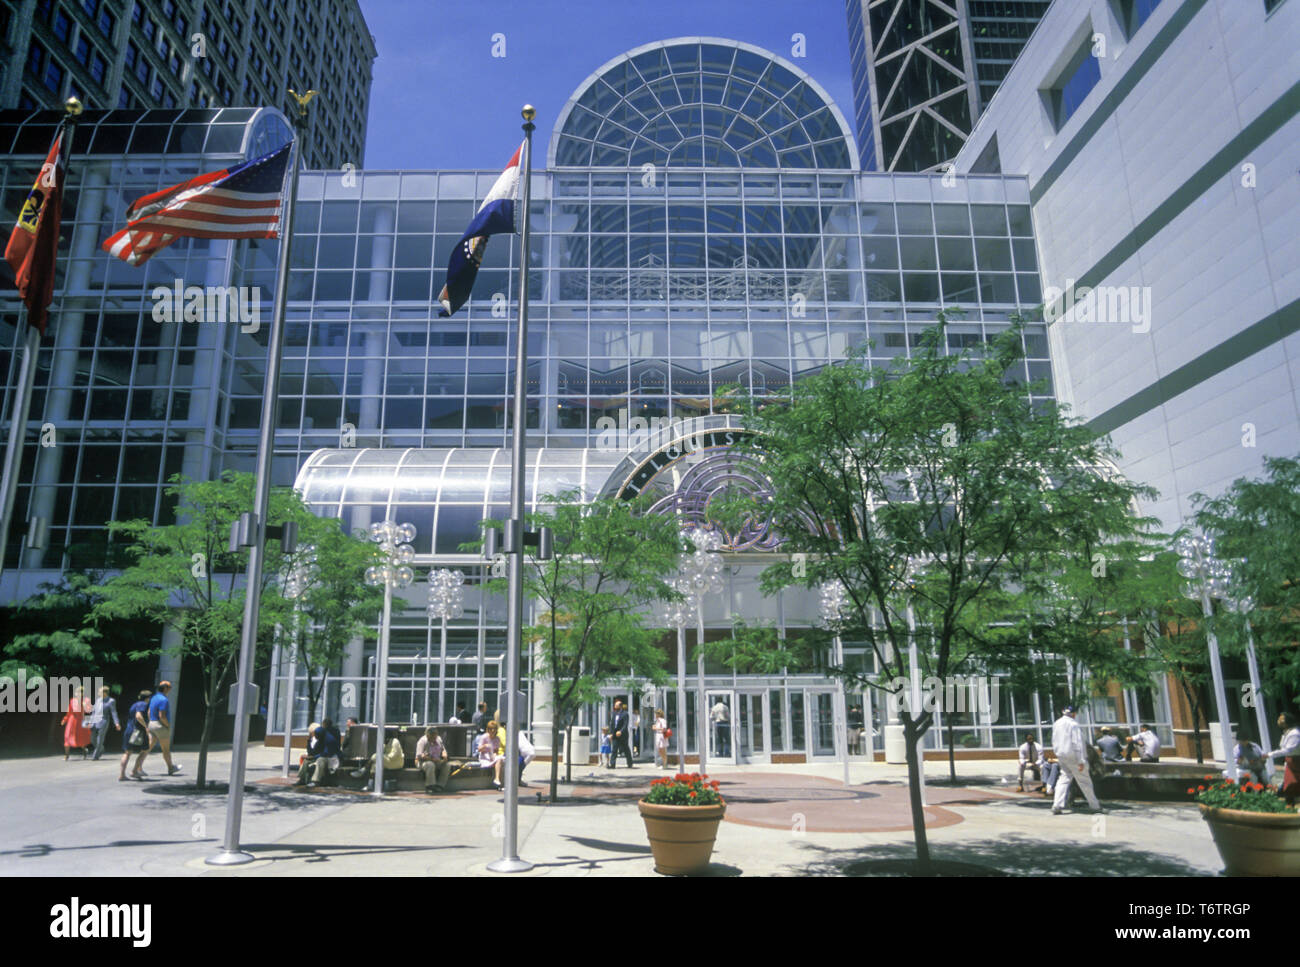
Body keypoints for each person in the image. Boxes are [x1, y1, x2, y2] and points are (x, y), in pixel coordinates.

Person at [1051, 705, 1102, 814]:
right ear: (1074, 713)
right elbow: (1077, 743)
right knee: (1085, 781)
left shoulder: (1057, 723)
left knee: (1063, 779)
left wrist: (1058, 754)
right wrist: (1081, 760)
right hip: (1074, 756)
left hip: (1062, 755)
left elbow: (1054, 740)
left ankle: (1057, 805)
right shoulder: (1073, 724)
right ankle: (1095, 806)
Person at [147, 681, 181, 775]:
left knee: (147, 748)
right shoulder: (164, 700)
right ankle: (170, 768)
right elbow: (162, 716)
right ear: (165, 688)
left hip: (152, 724)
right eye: (170, 687)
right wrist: (167, 725)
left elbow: (149, 712)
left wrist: (151, 722)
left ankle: (137, 767)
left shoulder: (154, 698)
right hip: (160, 726)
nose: (170, 689)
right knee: (166, 749)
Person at [118, 690, 152, 781]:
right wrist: (146, 726)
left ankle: (122, 775)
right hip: (138, 731)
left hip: (129, 730)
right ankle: (134, 771)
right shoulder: (143, 704)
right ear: (148, 698)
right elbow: (138, 716)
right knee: (145, 750)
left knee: (127, 753)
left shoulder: (134, 704)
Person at [1267, 712, 1300, 805]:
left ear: (1288, 721)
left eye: (1281, 719)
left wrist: (1270, 755)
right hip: (1291, 762)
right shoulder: (1287, 733)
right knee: (1289, 785)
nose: (1279, 721)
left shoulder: (1294, 734)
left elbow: (1287, 750)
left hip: (1296, 762)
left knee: (1291, 785)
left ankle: (1290, 807)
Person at [299, 719, 341, 787]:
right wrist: (309, 742)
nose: (315, 737)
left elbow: (326, 753)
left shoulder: (330, 740)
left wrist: (313, 757)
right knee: (306, 761)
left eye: (316, 735)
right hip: (321, 756)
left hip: (332, 758)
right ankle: (302, 779)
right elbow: (313, 751)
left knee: (320, 760)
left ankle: (316, 781)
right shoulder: (321, 739)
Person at [87, 686, 121, 761]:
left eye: (100, 692)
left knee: (100, 739)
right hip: (95, 721)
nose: (98, 693)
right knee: (92, 739)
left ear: (105, 693)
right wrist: (90, 721)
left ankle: (95, 755)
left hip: (104, 721)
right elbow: (94, 712)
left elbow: (113, 712)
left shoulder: (111, 701)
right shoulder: (98, 700)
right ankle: (101, 749)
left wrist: (116, 723)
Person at [416, 727, 451, 793]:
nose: (434, 739)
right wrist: (431, 759)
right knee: (430, 764)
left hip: (437, 760)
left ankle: (440, 785)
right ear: (427, 735)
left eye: (435, 736)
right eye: (432, 737)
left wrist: (444, 755)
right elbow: (419, 756)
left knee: (447, 765)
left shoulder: (439, 739)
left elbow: (443, 749)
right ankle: (430, 785)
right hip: (422, 762)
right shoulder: (422, 741)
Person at [62, 686, 92, 760]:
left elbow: (89, 710)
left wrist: (85, 705)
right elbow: (69, 712)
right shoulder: (72, 700)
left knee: (82, 737)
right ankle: (66, 755)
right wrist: (65, 719)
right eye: (77, 692)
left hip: (81, 720)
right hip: (72, 721)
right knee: (67, 737)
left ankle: (84, 751)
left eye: (80, 692)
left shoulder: (86, 700)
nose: (78, 694)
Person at [476, 720, 505, 788]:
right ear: (488, 729)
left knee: (500, 760)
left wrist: (494, 754)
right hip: (484, 757)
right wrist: (485, 746)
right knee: (499, 761)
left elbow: (496, 751)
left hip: (492, 756)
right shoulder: (484, 737)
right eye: (490, 729)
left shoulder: (497, 739)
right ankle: (497, 780)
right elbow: (479, 749)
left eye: (494, 729)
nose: (492, 730)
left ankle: (497, 779)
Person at [608, 700, 633, 769]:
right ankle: (612, 764)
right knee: (614, 749)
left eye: (616, 705)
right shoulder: (614, 713)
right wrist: (610, 733)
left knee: (626, 749)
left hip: (623, 735)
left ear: (620, 706)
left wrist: (621, 731)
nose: (615, 706)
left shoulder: (625, 714)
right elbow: (612, 724)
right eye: (615, 705)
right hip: (615, 734)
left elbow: (625, 725)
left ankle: (630, 763)